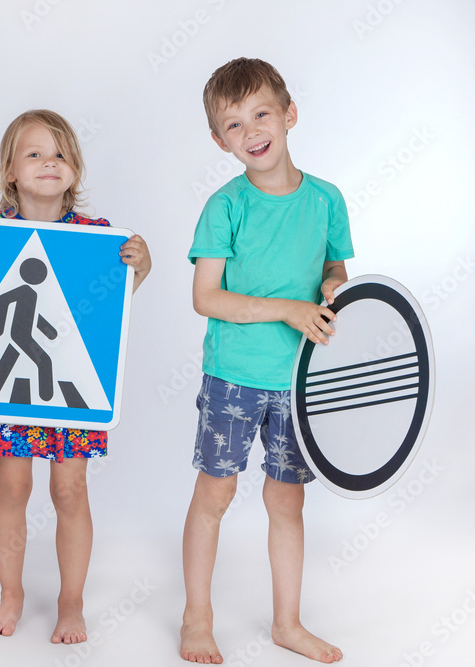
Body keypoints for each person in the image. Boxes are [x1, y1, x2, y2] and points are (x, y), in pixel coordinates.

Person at [0, 109, 151, 644]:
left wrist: (140, 267)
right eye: (34, 153)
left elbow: (104, 316)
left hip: (69, 382)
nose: (49, 163)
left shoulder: (99, 237)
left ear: (74, 169)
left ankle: (71, 602)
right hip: (6, 387)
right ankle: (12, 594)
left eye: (60, 154)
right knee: (12, 485)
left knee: (70, 489)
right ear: (10, 171)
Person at [180, 58, 354, 664]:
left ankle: (287, 624)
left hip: (299, 379)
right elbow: (206, 297)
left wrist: (334, 287)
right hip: (234, 376)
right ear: (218, 140)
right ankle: (196, 618)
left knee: (287, 502)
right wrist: (285, 309)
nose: (251, 131)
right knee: (215, 494)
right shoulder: (225, 207)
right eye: (233, 125)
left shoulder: (327, 199)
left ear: (289, 114)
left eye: (260, 114)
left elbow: (335, 267)